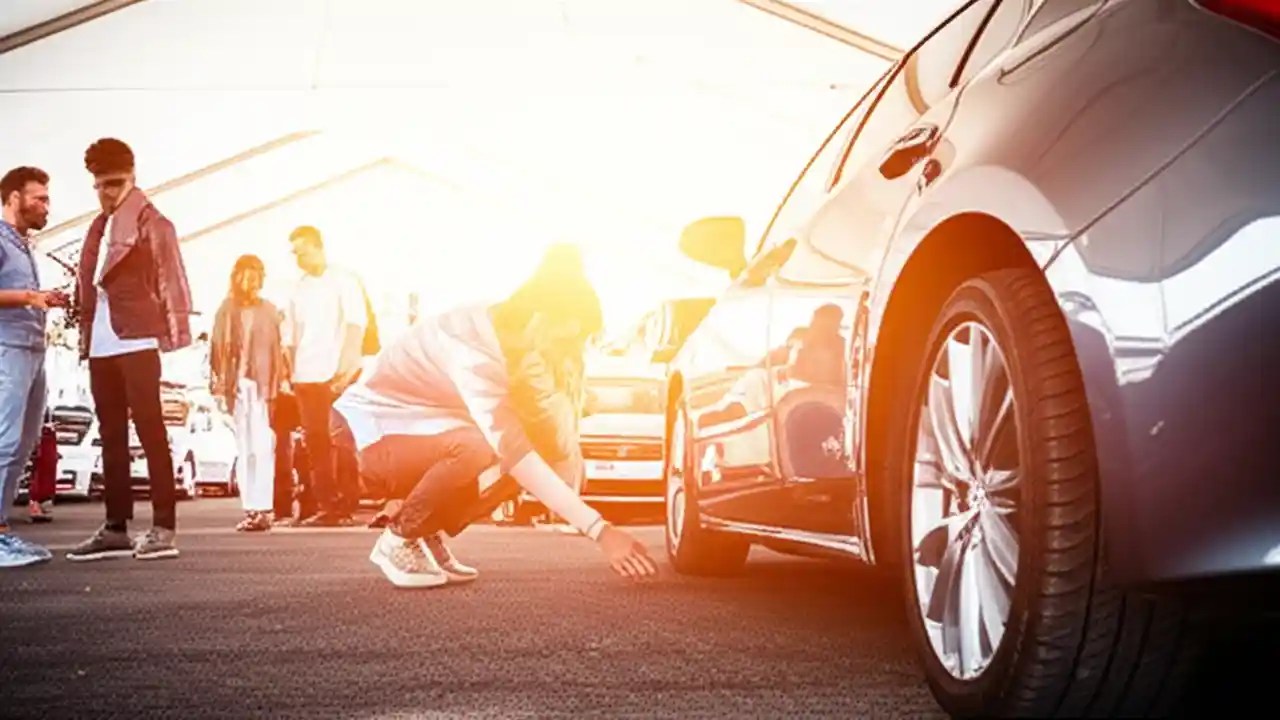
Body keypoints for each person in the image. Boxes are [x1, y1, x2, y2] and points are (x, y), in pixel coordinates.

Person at [335, 245, 657, 588]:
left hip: (423, 431)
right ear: (536, 316)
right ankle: (399, 539)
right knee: (483, 450)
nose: (558, 351)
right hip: (360, 434)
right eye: (559, 339)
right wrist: (600, 530)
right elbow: (514, 451)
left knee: (514, 451)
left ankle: (425, 530)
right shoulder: (472, 348)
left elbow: (553, 444)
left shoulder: (520, 347)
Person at [66, 138, 193, 562]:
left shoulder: (154, 223)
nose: (108, 193)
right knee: (111, 436)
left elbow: (172, 280)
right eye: (100, 186)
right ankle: (116, 527)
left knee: (151, 432)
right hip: (102, 345)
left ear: (134, 178)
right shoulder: (98, 229)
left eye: (115, 184)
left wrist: (175, 337)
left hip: (137, 340)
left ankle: (164, 527)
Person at [0, 166, 65, 567]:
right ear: (12, 198)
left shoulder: (24, 245)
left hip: (33, 349)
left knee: (23, 444)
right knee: (4, 440)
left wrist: (42, 298)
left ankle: (3, 530)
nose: (46, 206)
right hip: (8, 348)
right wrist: (29, 296)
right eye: (38, 198)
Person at [280, 226, 366, 527]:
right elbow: (289, 334)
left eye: (302, 251)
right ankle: (326, 505)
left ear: (317, 247)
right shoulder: (296, 288)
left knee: (342, 440)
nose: (298, 258)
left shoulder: (343, 280)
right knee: (314, 442)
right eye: (295, 253)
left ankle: (346, 504)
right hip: (306, 374)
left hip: (337, 372)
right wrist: (289, 373)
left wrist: (346, 370)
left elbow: (356, 325)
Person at [210, 255, 282, 531]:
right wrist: (218, 386)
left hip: (264, 385)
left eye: (256, 276)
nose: (251, 282)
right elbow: (217, 351)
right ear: (237, 277)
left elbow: (278, 352)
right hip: (236, 385)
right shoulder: (225, 310)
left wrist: (281, 383)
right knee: (245, 448)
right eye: (246, 275)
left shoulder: (270, 310)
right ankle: (251, 507)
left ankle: (264, 508)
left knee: (263, 447)